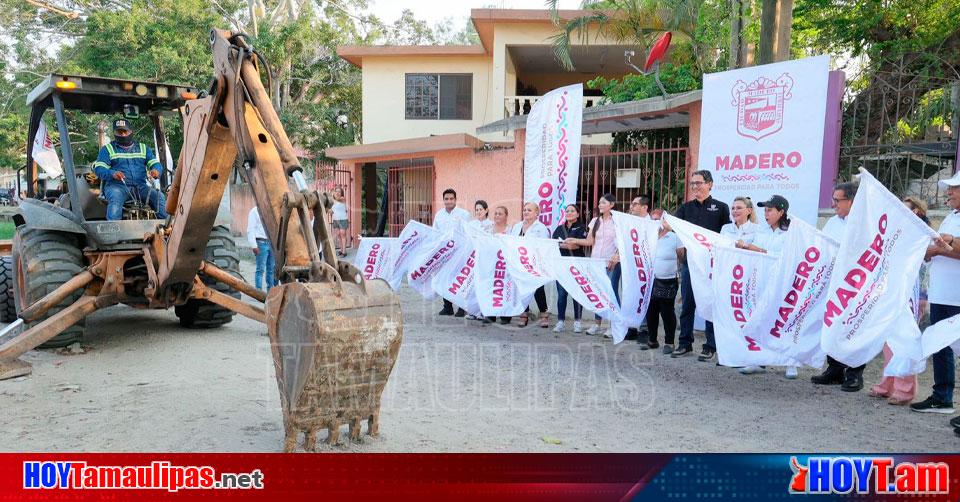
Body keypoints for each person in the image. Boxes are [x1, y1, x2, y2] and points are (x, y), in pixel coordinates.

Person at [869, 196, 932, 405]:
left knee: (905, 338)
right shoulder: (897, 232)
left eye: (907, 209)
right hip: (892, 290)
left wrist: (923, 296)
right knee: (889, 338)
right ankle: (888, 383)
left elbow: (925, 268)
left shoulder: (923, 235)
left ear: (918, 212)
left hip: (911, 292)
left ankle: (905, 389)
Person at [913, 172, 960, 425]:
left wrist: (945, 245)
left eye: (954, 188)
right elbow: (944, 246)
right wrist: (933, 251)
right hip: (942, 293)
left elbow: (952, 247)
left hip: (958, 296)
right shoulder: (951, 217)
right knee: (940, 346)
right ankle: (942, 397)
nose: (949, 193)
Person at [670, 170, 730, 361]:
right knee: (687, 304)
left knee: (710, 304)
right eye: (692, 184)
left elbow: (727, 235)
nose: (695, 187)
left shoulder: (721, 207)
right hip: (690, 265)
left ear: (710, 184)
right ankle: (685, 343)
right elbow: (672, 225)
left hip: (712, 266)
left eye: (699, 183)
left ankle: (710, 346)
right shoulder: (685, 208)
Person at [812, 182, 866, 392]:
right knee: (832, 324)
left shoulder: (863, 223)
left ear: (851, 201)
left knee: (854, 327)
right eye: (833, 199)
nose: (833, 204)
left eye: (837, 200)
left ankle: (854, 373)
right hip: (832, 282)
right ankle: (834, 369)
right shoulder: (833, 222)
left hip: (855, 284)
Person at [737, 195, 797, 379]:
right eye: (764, 210)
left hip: (783, 284)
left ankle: (790, 362)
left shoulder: (791, 233)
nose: (766, 214)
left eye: (770, 210)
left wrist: (757, 250)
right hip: (762, 282)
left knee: (784, 321)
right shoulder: (762, 232)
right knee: (761, 319)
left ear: (781, 212)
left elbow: (786, 257)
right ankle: (758, 360)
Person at [564, 193, 621, 336]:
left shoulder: (618, 221)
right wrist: (574, 240)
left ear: (612, 205)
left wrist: (617, 256)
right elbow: (590, 242)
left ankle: (613, 325)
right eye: (600, 203)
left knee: (611, 293)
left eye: (603, 203)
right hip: (596, 263)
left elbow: (622, 243)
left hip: (611, 262)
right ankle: (597, 324)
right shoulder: (595, 221)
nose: (600, 205)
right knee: (598, 292)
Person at [93, 119, 168, 221]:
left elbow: (155, 163)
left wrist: (156, 170)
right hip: (117, 187)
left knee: (159, 197)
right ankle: (115, 232)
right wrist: (113, 173)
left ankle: (165, 228)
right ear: (114, 133)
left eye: (125, 131)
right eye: (119, 132)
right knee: (115, 200)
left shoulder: (143, 148)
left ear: (131, 131)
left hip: (140, 187)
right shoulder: (107, 149)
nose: (123, 135)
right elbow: (99, 169)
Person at [643, 208, 681, 353]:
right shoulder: (647, 236)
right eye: (652, 220)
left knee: (666, 311)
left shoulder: (675, 237)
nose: (655, 223)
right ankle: (652, 340)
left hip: (668, 279)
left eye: (658, 219)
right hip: (650, 279)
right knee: (651, 311)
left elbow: (681, 257)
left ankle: (669, 342)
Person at [511, 202, 552, 328]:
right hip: (519, 263)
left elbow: (543, 246)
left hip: (534, 264)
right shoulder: (517, 226)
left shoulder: (541, 228)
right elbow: (511, 242)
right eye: (524, 210)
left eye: (529, 210)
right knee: (521, 288)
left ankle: (544, 315)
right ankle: (524, 314)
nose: (526, 212)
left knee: (538, 289)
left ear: (536, 213)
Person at [434, 188, 471, 317]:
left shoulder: (464, 214)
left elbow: (468, 234)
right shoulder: (439, 215)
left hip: (459, 252)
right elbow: (436, 233)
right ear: (443, 200)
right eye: (446, 199)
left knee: (459, 279)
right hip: (445, 253)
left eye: (451, 199)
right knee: (445, 278)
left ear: (455, 200)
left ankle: (461, 307)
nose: (449, 201)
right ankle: (447, 307)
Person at [552, 204, 587, 334]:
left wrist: (563, 244)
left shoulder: (582, 227)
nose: (570, 213)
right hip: (561, 266)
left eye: (573, 211)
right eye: (567, 211)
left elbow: (575, 246)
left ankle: (577, 322)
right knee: (561, 294)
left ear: (578, 214)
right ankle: (560, 321)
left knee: (577, 294)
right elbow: (553, 244)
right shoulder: (559, 228)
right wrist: (565, 244)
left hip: (577, 265)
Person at [625, 195, 652, 341]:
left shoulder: (652, 224)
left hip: (646, 266)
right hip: (631, 264)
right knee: (631, 295)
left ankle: (644, 329)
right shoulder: (629, 222)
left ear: (644, 207)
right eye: (632, 204)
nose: (631, 206)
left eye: (635, 204)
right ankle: (632, 326)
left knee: (644, 296)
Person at [487, 205, 513, 325]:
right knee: (491, 288)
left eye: (500, 214)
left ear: (506, 216)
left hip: (504, 264)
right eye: (496, 213)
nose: (497, 215)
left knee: (505, 288)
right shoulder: (488, 229)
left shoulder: (511, 230)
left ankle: (505, 315)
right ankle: (490, 314)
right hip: (491, 263)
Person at [247, 206, 276, 291]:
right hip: (261, 243)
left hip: (272, 243)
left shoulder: (271, 210)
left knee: (271, 269)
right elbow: (250, 229)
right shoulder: (254, 211)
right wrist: (254, 245)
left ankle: (270, 291)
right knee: (260, 269)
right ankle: (258, 291)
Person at [330, 187, 349, 257]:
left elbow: (337, 199)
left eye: (339, 192)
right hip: (336, 220)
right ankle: (341, 250)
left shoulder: (342, 199)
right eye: (336, 191)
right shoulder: (332, 202)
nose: (337, 193)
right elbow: (331, 211)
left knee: (342, 235)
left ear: (341, 193)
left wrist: (332, 194)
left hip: (343, 219)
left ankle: (344, 252)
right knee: (338, 235)